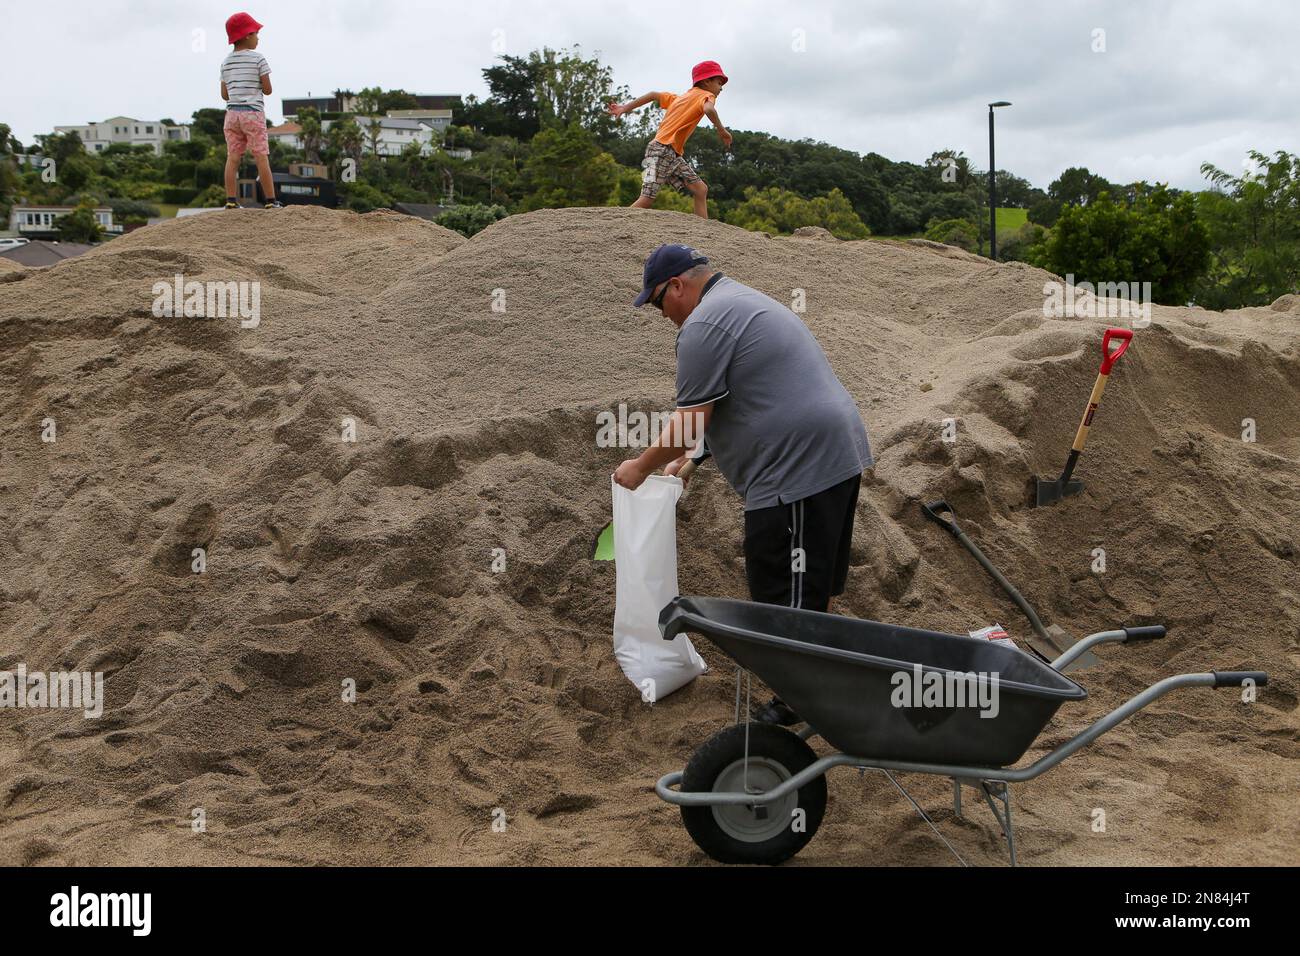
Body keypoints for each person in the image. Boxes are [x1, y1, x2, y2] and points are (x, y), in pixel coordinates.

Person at [614, 245, 873, 725]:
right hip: (835, 454)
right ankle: (814, 687)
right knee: (810, 590)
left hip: (796, 469)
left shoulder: (703, 325)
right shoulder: (738, 301)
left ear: (677, 286)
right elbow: (751, 396)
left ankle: (802, 703)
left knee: (782, 591)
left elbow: (692, 423)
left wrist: (640, 466)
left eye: (656, 302)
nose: (660, 314)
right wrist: (692, 463)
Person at [607, 61, 733, 219]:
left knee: (700, 189)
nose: (721, 87)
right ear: (707, 81)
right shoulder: (707, 96)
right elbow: (708, 109)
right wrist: (721, 130)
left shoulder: (679, 98)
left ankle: (703, 231)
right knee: (646, 199)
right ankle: (616, 222)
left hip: (662, 151)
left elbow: (653, 95)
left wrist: (625, 108)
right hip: (664, 150)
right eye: (719, 82)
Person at [220, 12, 281, 210]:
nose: (258, 37)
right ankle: (271, 201)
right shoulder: (259, 59)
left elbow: (224, 95)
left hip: (232, 115)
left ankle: (230, 200)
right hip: (252, 114)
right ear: (247, 35)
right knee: (261, 156)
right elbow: (268, 90)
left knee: (233, 157)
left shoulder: (226, 62)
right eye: (255, 33)